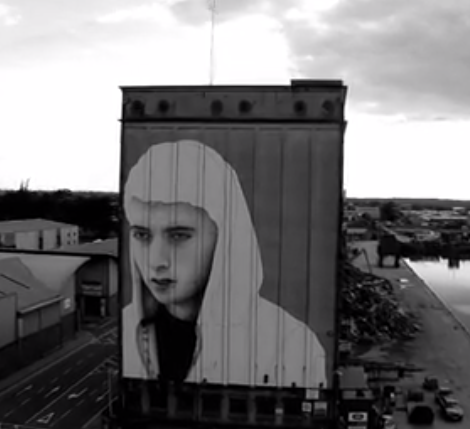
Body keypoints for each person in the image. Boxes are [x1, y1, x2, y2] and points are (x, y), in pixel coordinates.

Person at [122, 139, 327, 389]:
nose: (156, 261)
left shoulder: (290, 344)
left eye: (179, 236)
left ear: (225, 238)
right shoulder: (125, 327)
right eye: (142, 235)